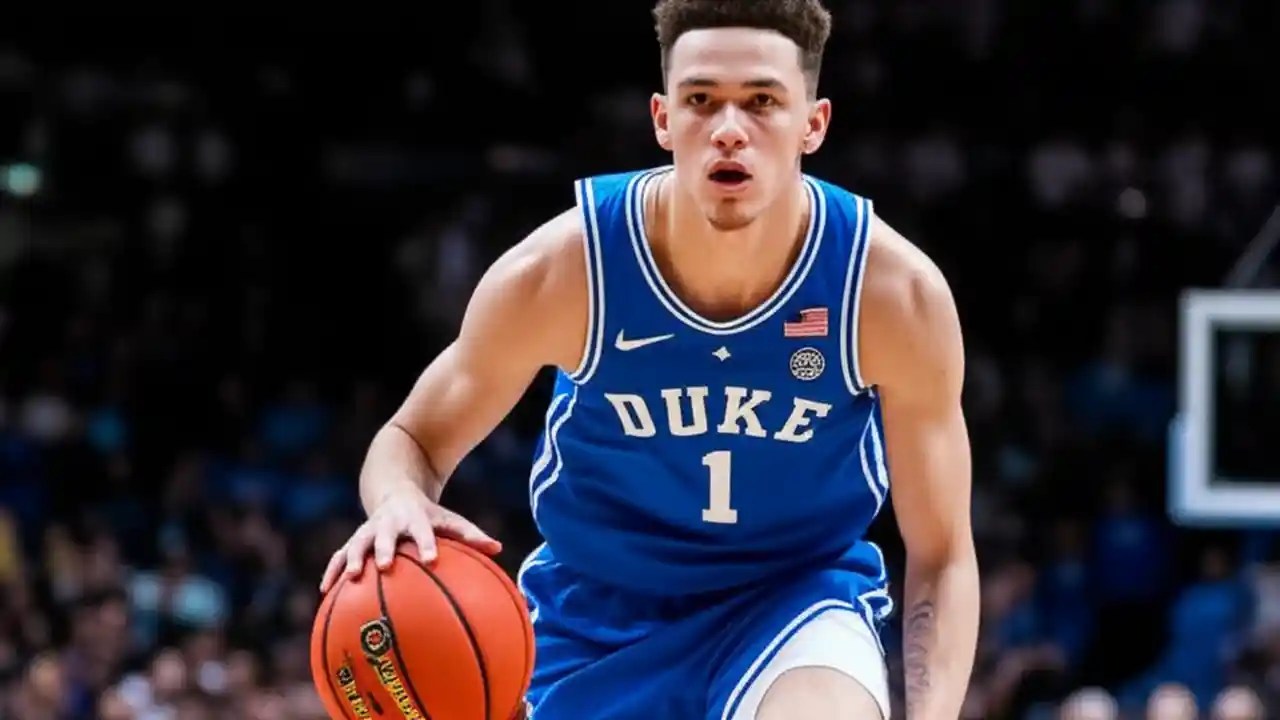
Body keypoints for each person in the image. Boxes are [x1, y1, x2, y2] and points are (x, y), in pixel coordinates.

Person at [319, 0, 979, 717]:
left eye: (762, 102)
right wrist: (397, 501)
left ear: (812, 125)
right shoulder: (566, 269)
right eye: (702, 101)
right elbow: (411, 439)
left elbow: (942, 553)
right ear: (663, 118)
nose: (729, 130)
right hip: (595, 614)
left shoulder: (888, 293)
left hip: (796, 599)